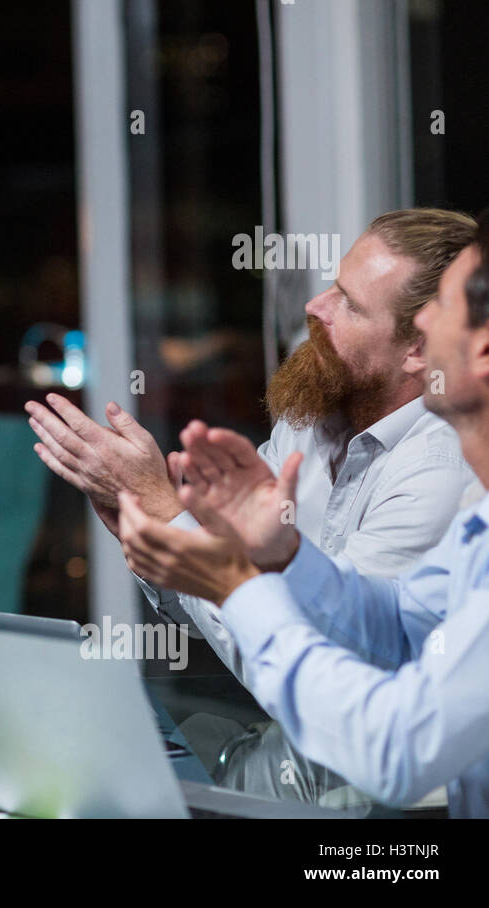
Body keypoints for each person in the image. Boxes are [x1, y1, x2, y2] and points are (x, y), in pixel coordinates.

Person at [118, 210, 489, 816]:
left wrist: (241, 588)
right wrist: (283, 556)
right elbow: (399, 621)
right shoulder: (482, 515)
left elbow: (393, 754)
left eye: (440, 307)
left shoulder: (449, 476)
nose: (317, 307)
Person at [25, 209, 479, 682]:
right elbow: (221, 610)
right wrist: (156, 531)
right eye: (333, 284)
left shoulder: (442, 471)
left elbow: (309, 666)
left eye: (350, 304)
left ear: (420, 351)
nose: (315, 306)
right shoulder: (314, 419)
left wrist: (165, 513)